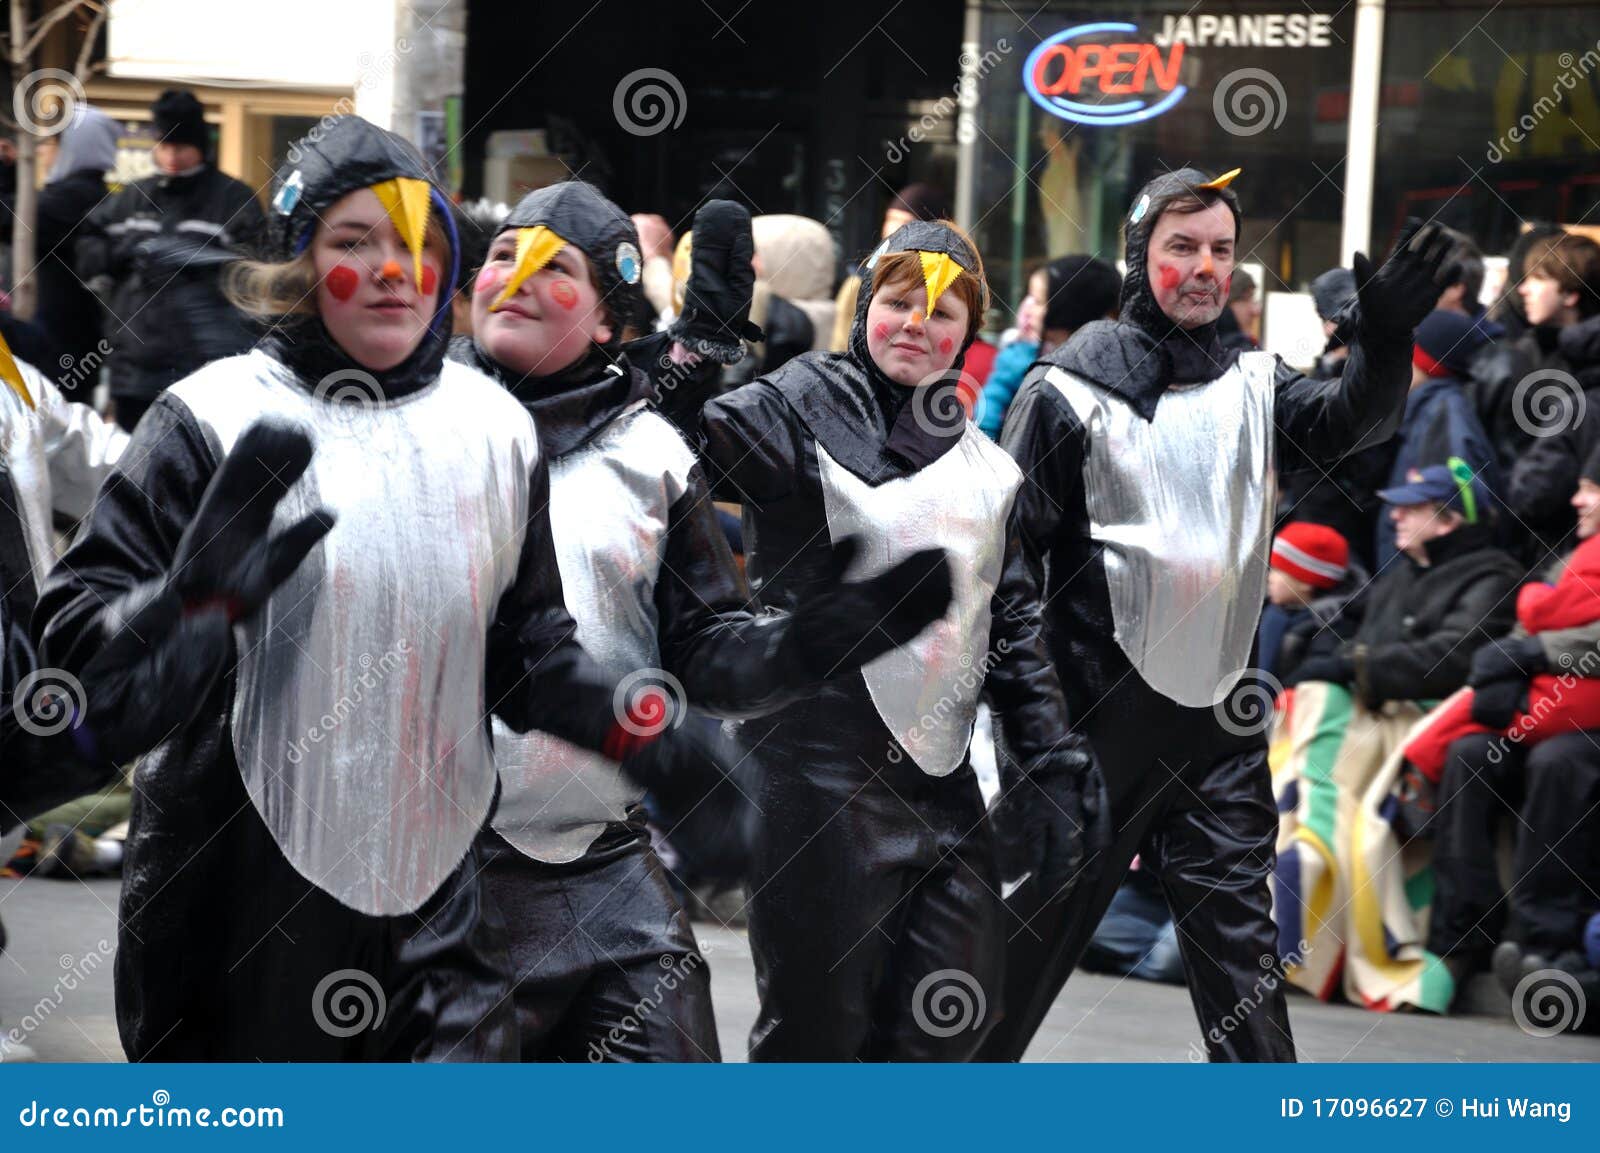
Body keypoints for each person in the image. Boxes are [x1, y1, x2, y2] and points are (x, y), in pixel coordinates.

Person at [35, 116, 727, 1062]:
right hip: (230, 910)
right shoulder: (209, 416)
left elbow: (528, 658)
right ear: (296, 262)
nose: (395, 268)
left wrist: (652, 738)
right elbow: (69, 641)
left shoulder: (492, 432)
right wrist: (175, 614)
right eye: (355, 241)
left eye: (419, 243)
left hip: (437, 931)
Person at [451, 184, 951, 1062]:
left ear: (607, 319)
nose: (519, 276)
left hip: (605, 865)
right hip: (442, 876)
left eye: (555, 266)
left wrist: (800, 644)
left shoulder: (651, 455)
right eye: (503, 256)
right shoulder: (420, 423)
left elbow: (705, 647)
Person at [987, 166, 1459, 1061]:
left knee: (1247, 988)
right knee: (1009, 974)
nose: (1206, 267)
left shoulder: (1253, 380)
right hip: (1086, 737)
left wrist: (1385, 339)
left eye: (1221, 250)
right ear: (1140, 256)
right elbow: (1003, 568)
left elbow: (1351, 424)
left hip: (1217, 739)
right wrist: (1035, 738)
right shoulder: (1064, 389)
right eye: (1182, 248)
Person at [681, 217, 1094, 1060]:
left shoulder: (986, 466)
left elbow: (1009, 622)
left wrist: (1050, 755)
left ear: (969, 334)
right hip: (812, 781)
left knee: (951, 1029)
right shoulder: (796, 404)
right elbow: (677, 445)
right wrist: (697, 345)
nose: (918, 323)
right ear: (865, 305)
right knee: (817, 1041)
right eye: (900, 301)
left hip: (945, 791)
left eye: (944, 311)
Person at [1273, 463, 1522, 1009]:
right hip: (1376, 717)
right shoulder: (1403, 569)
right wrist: (1335, 659)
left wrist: (1358, 667)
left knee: (1360, 825)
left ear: (1448, 519)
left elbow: (1453, 659)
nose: (1395, 514)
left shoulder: (1495, 576)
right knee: (1309, 717)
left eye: (1411, 507)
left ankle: (1333, 911)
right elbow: (1351, 639)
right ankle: (1302, 887)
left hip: (1425, 725)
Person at [76, 89, 266, 431]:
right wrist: (121, 253)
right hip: (133, 368)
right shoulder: (132, 198)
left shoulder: (232, 199)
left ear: (201, 147)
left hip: (203, 369)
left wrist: (197, 265)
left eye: (181, 147)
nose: (171, 157)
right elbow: (87, 252)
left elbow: (254, 272)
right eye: (164, 146)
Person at [1371, 309, 1501, 569]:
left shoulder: (1445, 419)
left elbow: (1455, 516)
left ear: (1425, 364)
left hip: (1422, 579)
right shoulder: (1427, 411)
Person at [1505, 232, 1600, 552]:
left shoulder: (1577, 367)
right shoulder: (1527, 353)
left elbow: (1539, 483)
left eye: (1538, 279)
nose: (1523, 289)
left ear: (1570, 295)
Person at [976, 255, 1120, 439]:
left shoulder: (1100, 365)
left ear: (1067, 309)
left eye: (1037, 301)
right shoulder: (1020, 357)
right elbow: (989, 409)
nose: (1027, 308)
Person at [35, 106, 119, 388]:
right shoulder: (82, 193)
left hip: (61, 339)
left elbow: (16, 220)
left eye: (48, 142)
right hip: (73, 337)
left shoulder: (73, 197)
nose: (40, 152)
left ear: (72, 147)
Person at [1256, 522, 1366, 684]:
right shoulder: (1272, 612)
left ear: (1306, 582)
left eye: (1278, 571)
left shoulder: (1330, 627)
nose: (1269, 577)